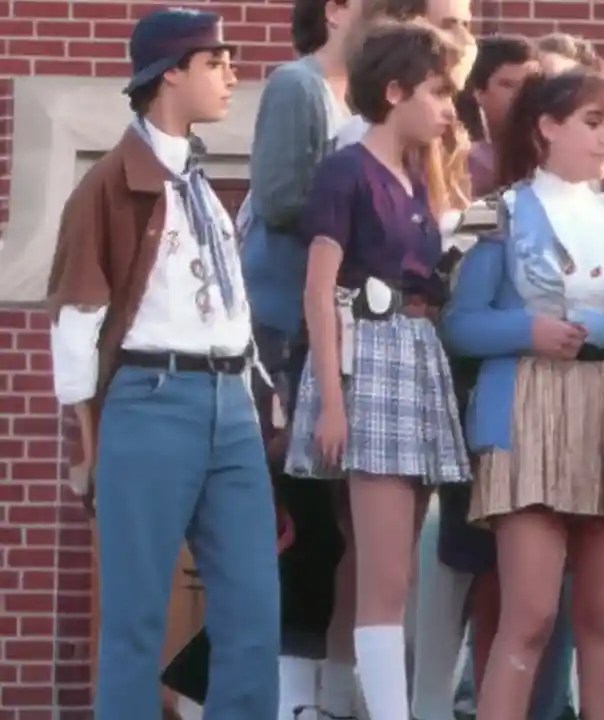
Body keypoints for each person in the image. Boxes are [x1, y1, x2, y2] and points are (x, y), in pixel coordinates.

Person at [46, 9, 279, 719]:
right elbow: (76, 325)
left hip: (228, 404)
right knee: (135, 621)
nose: (231, 73)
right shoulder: (110, 183)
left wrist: (253, 398)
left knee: (253, 615)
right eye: (215, 60)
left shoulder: (202, 183)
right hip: (149, 401)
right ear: (169, 73)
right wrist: (88, 443)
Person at [442, 69, 604, 720]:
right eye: (593, 122)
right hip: (526, 410)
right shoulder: (498, 214)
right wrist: (526, 329)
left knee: (603, 619)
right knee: (527, 615)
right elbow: (458, 325)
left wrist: (603, 332)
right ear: (547, 127)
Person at [283, 23, 470, 720]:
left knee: (379, 562)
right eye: (438, 92)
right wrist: (333, 401)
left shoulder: (419, 176)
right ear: (394, 92)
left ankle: (338, 704)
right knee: (387, 573)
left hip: (413, 356)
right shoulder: (347, 170)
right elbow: (317, 288)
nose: (450, 108)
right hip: (369, 357)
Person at [239, 1, 365, 716]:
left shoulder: (354, 97)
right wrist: (365, 177)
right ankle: (287, 698)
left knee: (340, 529)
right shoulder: (298, 86)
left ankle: (325, 693)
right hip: (288, 330)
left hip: (336, 333)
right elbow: (284, 197)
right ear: (339, 8)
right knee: (304, 521)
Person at [456, 35, 540, 197]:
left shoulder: (555, 152)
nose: (522, 94)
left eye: (529, 84)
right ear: (479, 92)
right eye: (508, 85)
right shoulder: (463, 162)